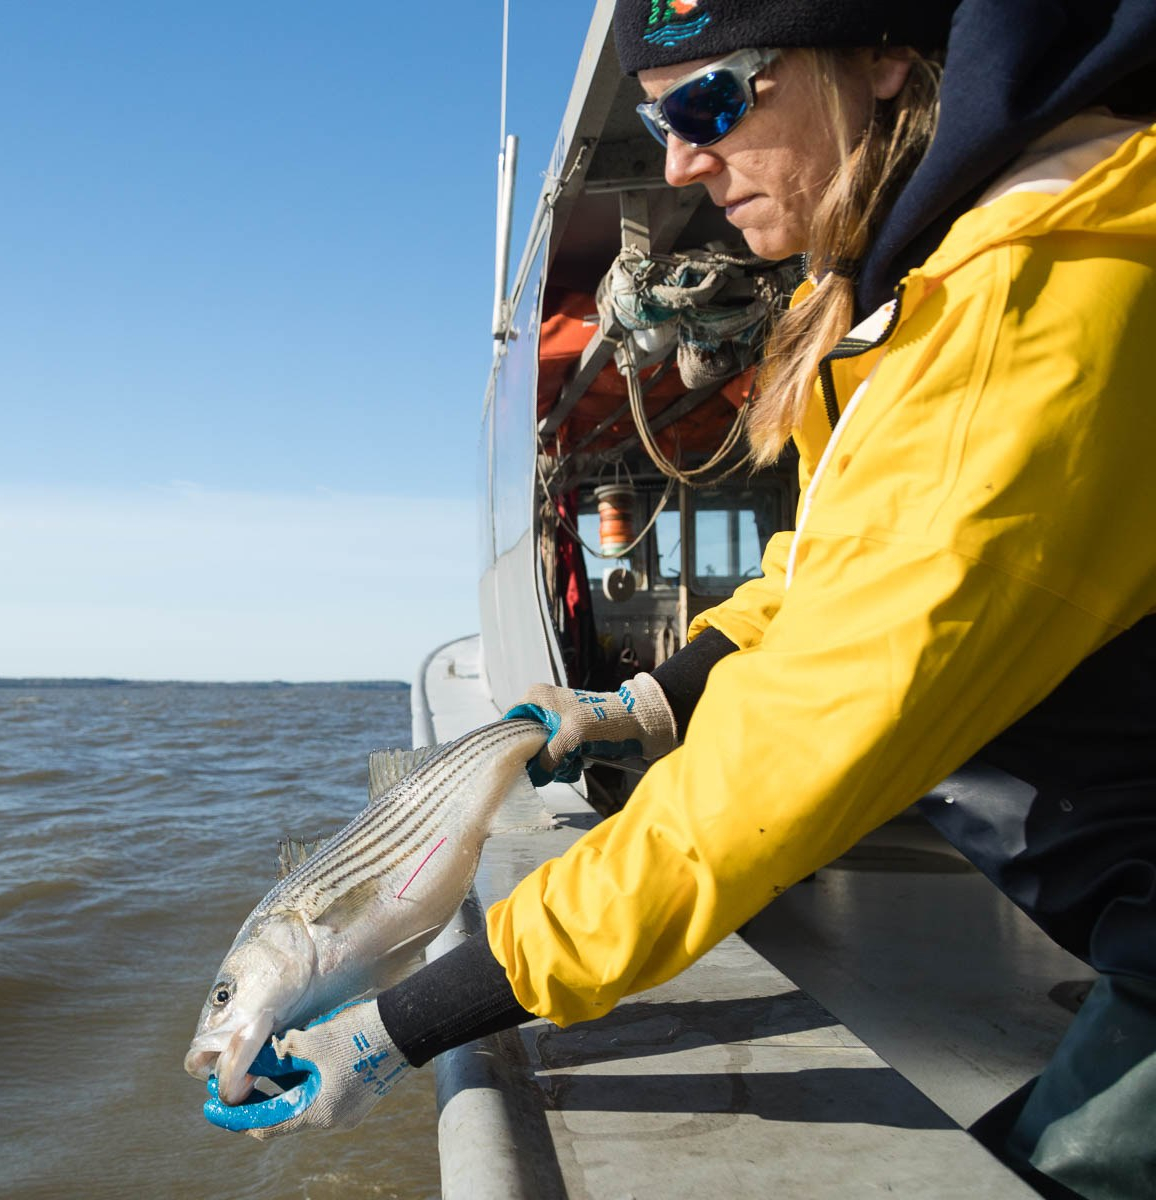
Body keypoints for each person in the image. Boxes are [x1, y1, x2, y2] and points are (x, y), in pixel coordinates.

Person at [203, 2, 1156, 1195]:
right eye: (660, 118)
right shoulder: (936, 283)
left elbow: (777, 773)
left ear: (881, 58)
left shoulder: (1033, 302)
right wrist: (643, 705)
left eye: (712, 105)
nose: (678, 164)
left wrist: (400, 1025)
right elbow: (826, 577)